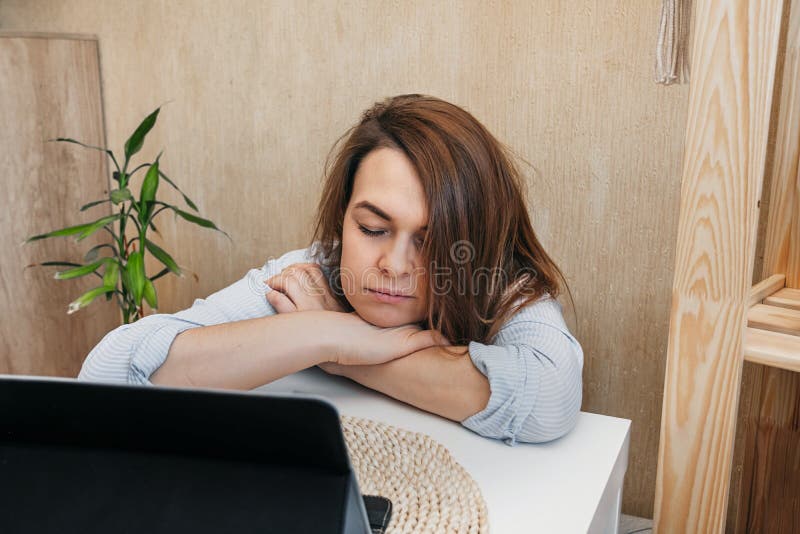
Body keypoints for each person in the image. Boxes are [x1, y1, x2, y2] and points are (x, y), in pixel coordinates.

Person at [79, 94, 584, 446]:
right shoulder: (312, 274)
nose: (393, 266)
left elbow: (551, 400)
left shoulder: (500, 283)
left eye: (431, 242)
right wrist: (326, 331)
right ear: (342, 220)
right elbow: (106, 375)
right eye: (372, 228)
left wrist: (349, 361)